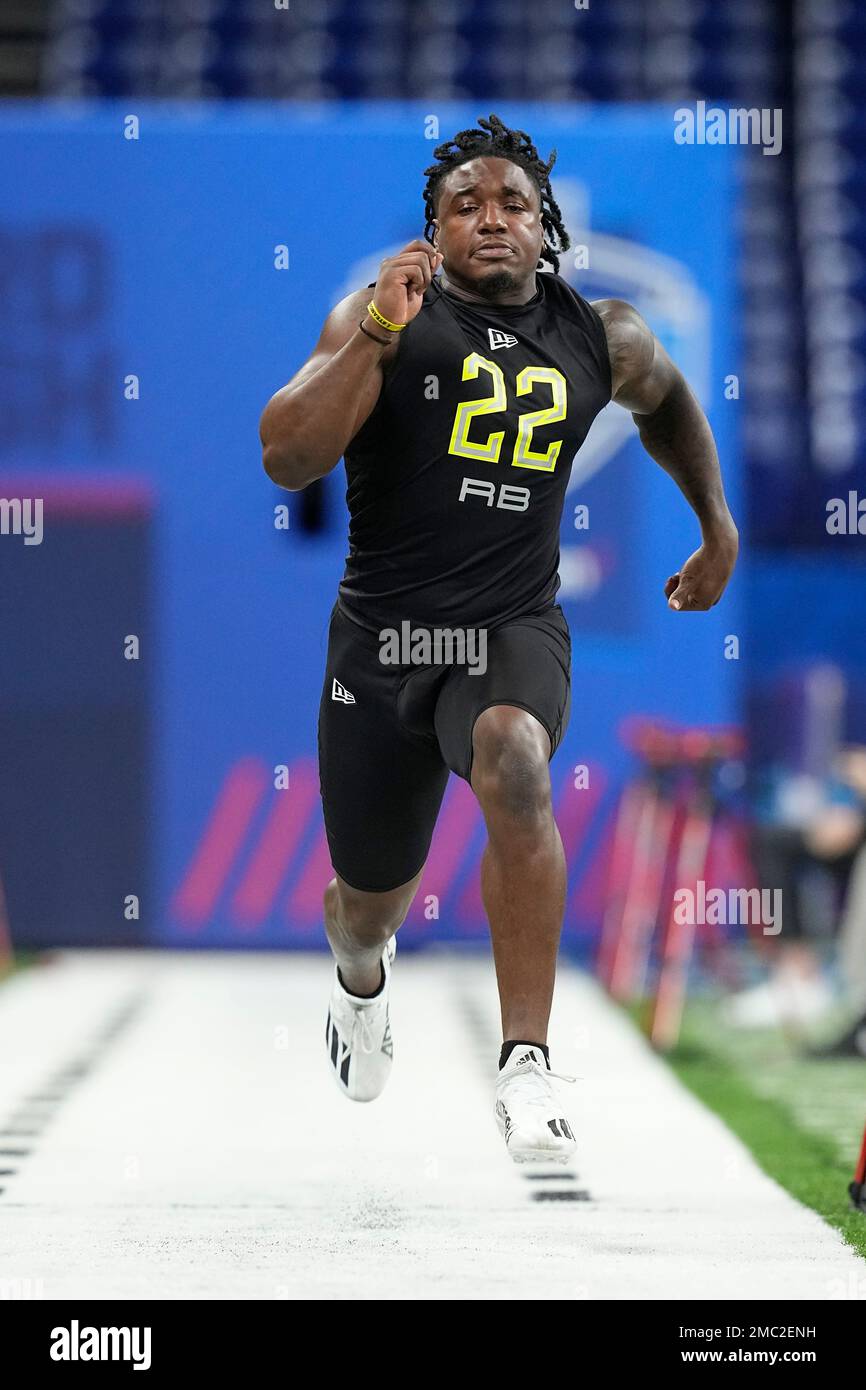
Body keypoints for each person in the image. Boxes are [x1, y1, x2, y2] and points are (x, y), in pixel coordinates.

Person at [260, 114, 738, 1164]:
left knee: (515, 757)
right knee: (366, 903)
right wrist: (376, 333)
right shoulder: (387, 314)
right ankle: (360, 983)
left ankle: (526, 1060)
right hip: (384, 643)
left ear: (545, 227)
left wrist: (713, 523)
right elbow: (287, 458)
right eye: (465, 204)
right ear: (431, 229)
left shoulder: (599, 332)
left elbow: (663, 402)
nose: (490, 219)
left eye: (511, 203)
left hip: (508, 627)